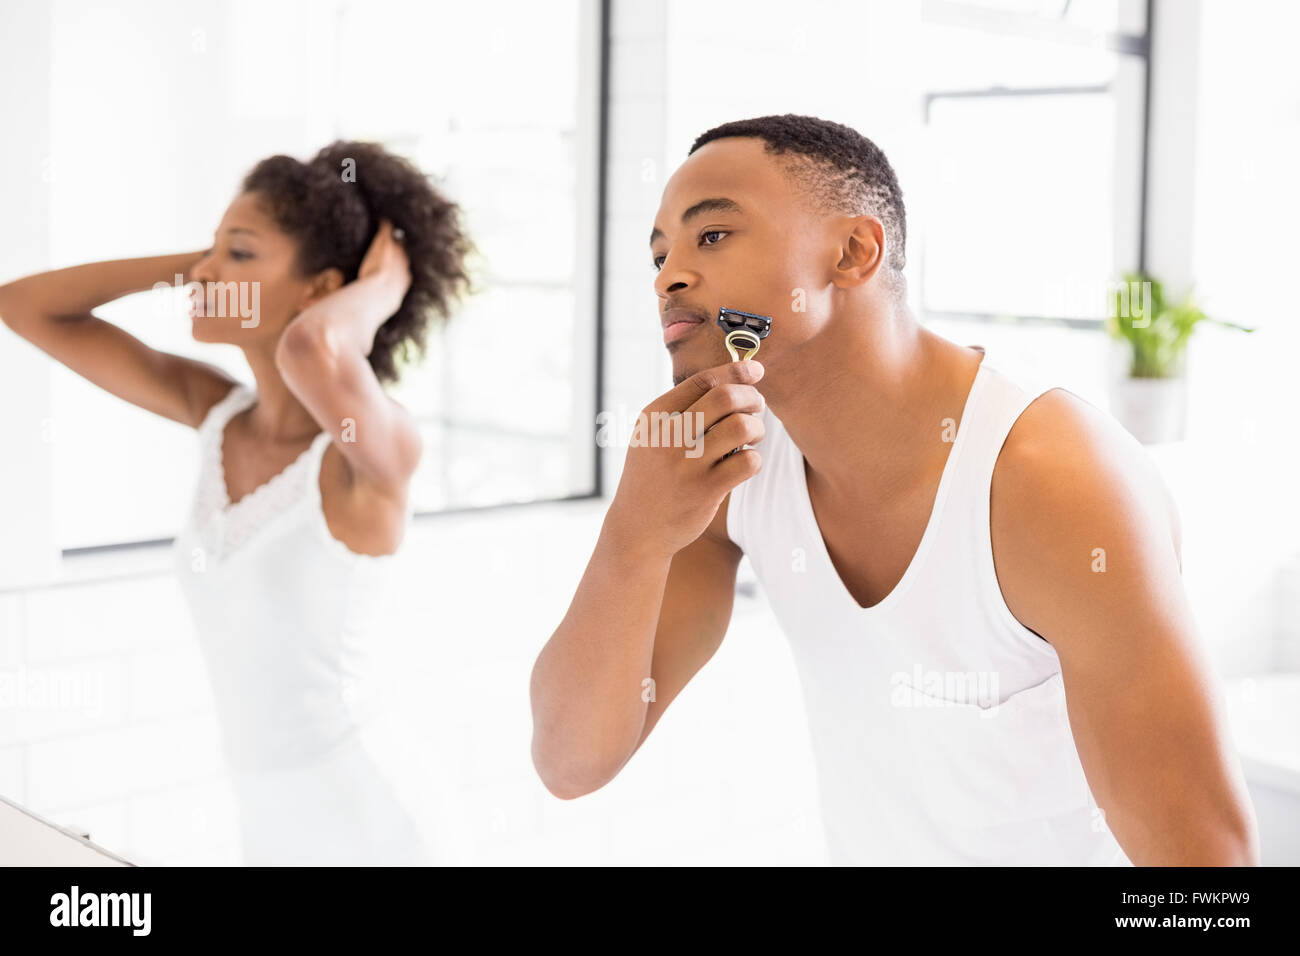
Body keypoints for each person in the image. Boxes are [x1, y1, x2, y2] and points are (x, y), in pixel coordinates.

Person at [530, 114, 1259, 866]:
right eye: (659, 255)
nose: (667, 277)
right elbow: (570, 762)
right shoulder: (732, 461)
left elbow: (1207, 870)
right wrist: (633, 532)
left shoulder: (1052, 481)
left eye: (711, 236)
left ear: (852, 253)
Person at [0, 140, 471, 865]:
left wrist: (384, 287)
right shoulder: (216, 411)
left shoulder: (371, 452)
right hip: (269, 828)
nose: (207, 274)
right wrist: (198, 266)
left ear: (323, 291)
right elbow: (24, 307)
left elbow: (310, 352)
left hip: (377, 824)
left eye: (242, 255)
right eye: (210, 252)